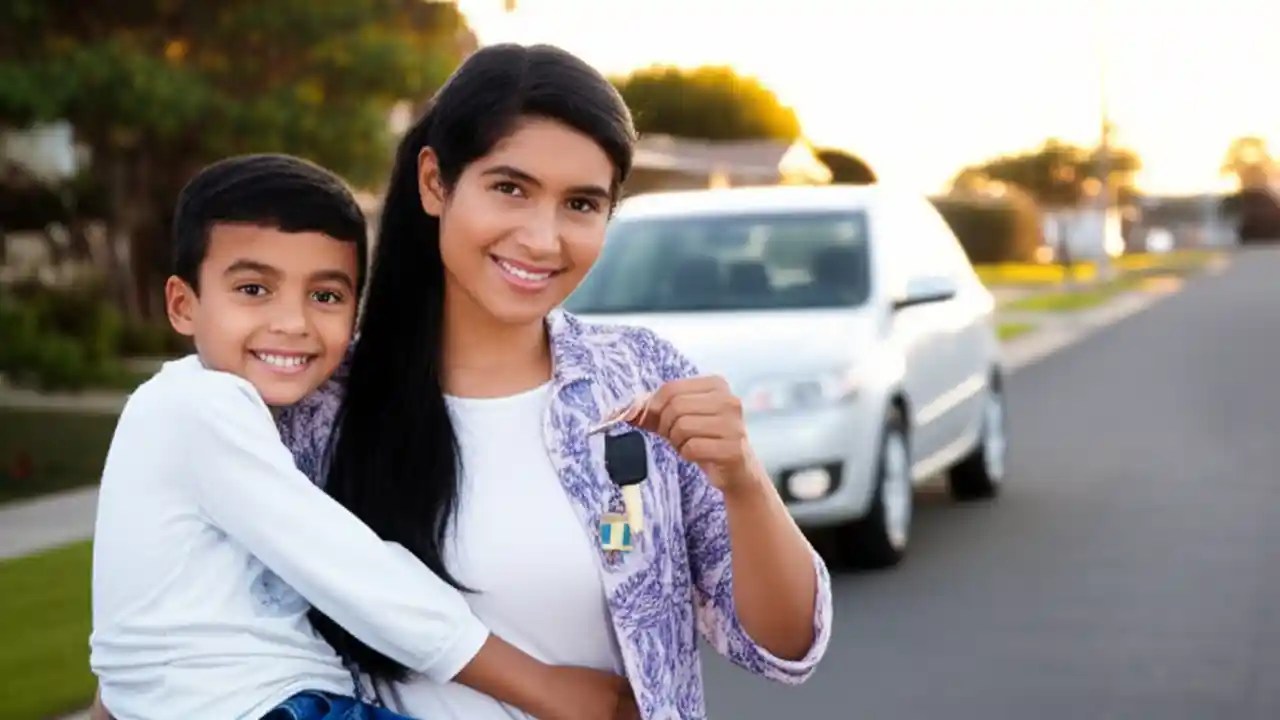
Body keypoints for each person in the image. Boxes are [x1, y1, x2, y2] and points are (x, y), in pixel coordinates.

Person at [278, 43, 834, 719]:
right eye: (510, 188)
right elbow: (205, 640)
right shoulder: (319, 410)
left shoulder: (641, 376)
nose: (543, 240)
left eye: (580, 204)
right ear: (435, 183)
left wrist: (743, 479)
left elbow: (783, 647)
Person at [88, 154, 635, 719]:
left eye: (325, 296)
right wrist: (541, 686)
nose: (293, 322)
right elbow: (352, 571)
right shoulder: (199, 408)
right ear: (183, 304)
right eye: (254, 289)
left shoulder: (198, 414)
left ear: (355, 316)